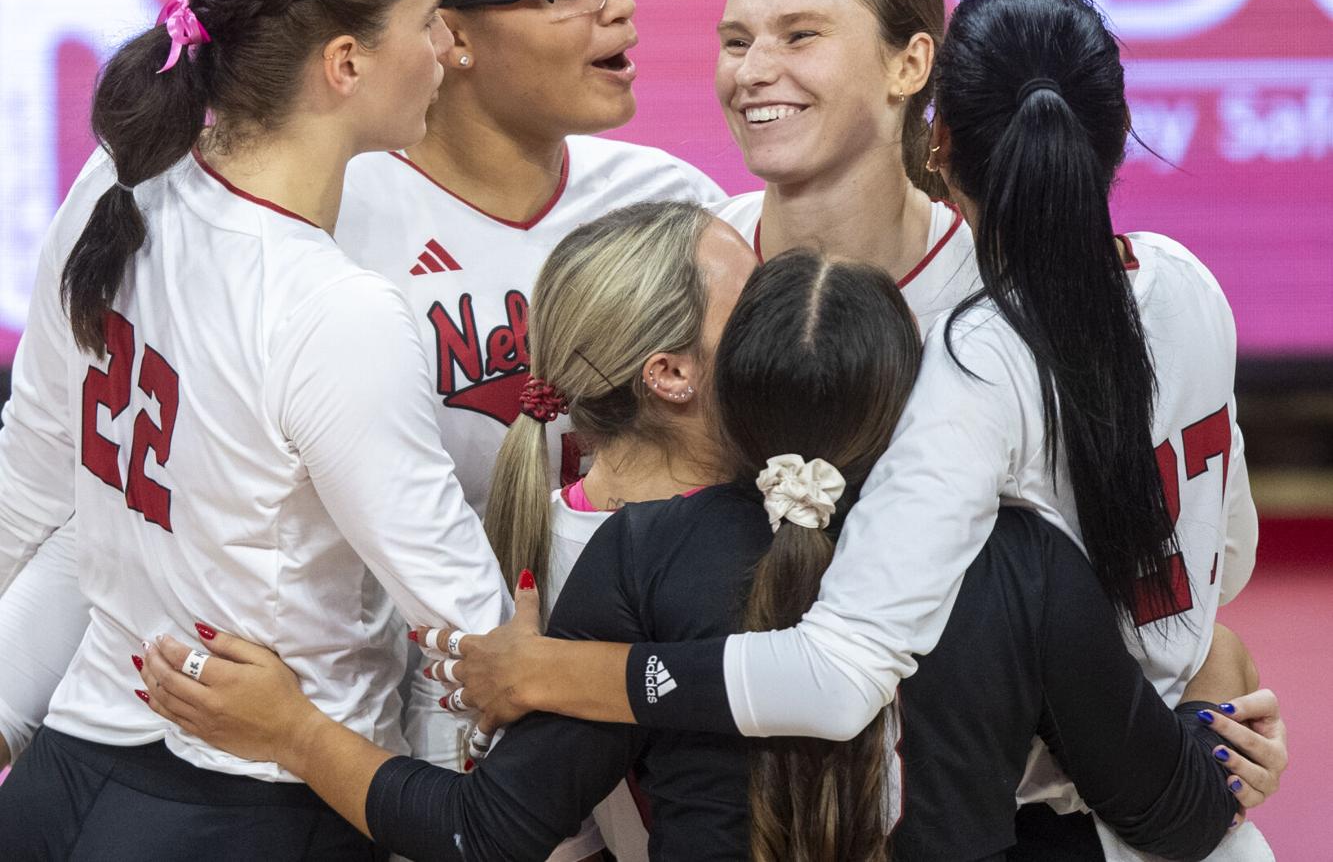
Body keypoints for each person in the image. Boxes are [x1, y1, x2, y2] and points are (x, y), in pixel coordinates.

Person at [424, 0, 1269, 850]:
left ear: (937, 142)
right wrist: (1202, 692)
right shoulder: (1183, 280)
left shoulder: (972, 362)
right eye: (738, 38)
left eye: (799, 34)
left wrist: (557, 672)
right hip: (1182, 785)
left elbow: (834, 678)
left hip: (1071, 815)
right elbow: (1226, 554)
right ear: (1118, 127)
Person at [139, 218, 1270, 861]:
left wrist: (293, 731)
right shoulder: (1017, 558)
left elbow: (482, 831)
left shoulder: (630, 555)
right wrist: (1210, 738)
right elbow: (1167, 811)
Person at [0, 0, 512, 856]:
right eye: (428, 19)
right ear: (346, 63)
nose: (449, 49)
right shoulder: (332, 308)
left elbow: (32, 476)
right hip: (255, 805)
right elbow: (467, 626)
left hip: (67, 772)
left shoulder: (118, 179)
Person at [709, 0, 975, 335]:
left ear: (909, 65)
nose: (750, 73)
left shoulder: (994, 287)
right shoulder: (668, 273)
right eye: (737, 43)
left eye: (800, 36)